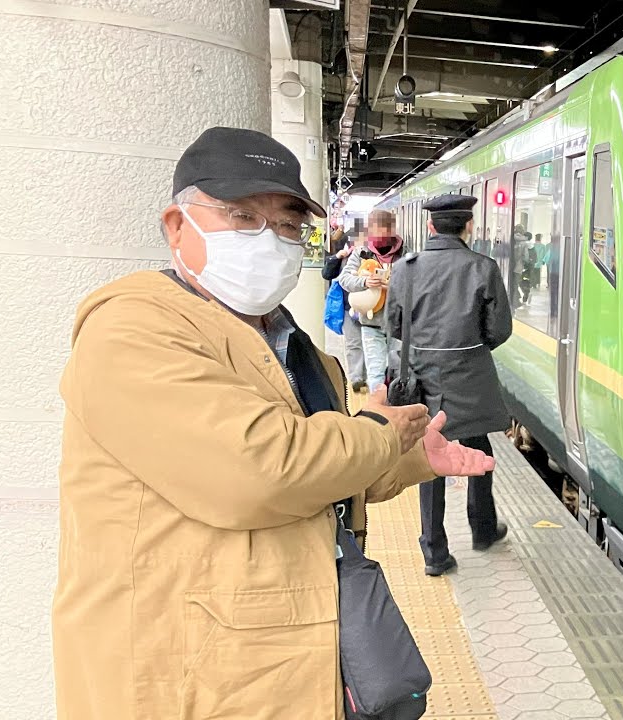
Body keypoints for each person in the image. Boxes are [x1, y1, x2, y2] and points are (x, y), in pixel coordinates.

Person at [52, 126, 496, 720]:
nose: (269, 240)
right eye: (241, 216)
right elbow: (260, 472)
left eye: (288, 225)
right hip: (184, 675)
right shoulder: (132, 331)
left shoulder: (287, 339)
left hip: (284, 659)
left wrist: (409, 460)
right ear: (178, 227)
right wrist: (380, 434)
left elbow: (320, 480)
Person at [387, 194, 513, 576]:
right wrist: (468, 348)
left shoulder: (405, 268)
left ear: (430, 227)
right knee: (479, 448)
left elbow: (393, 326)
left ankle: (434, 553)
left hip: (421, 377)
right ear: (468, 226)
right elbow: (500, 330)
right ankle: (483, 530)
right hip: (469, 376)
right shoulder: (483, 268)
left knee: (429, 458)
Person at [339, 209, 405, 391]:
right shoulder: (361, 253)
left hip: (399, 323)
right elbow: (344, 280)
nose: (380, 237)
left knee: (398, 371)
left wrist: (392, 287)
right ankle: (380, 413)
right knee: (375, 372)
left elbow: (418, 284)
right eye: (376, 232)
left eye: (385, 231)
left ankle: (396, 406)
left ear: (392, 230)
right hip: (370, 323)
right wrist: (365, 281)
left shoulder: (406, 254)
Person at [323, 222, 368, 391]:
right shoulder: (344, 256)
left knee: (369, 342)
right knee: (353, 343)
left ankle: (369, 376)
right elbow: (327, 274)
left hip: (370, 307)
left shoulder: (371, 256)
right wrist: (336, 258)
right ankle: (357, 378)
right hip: (349, 307)